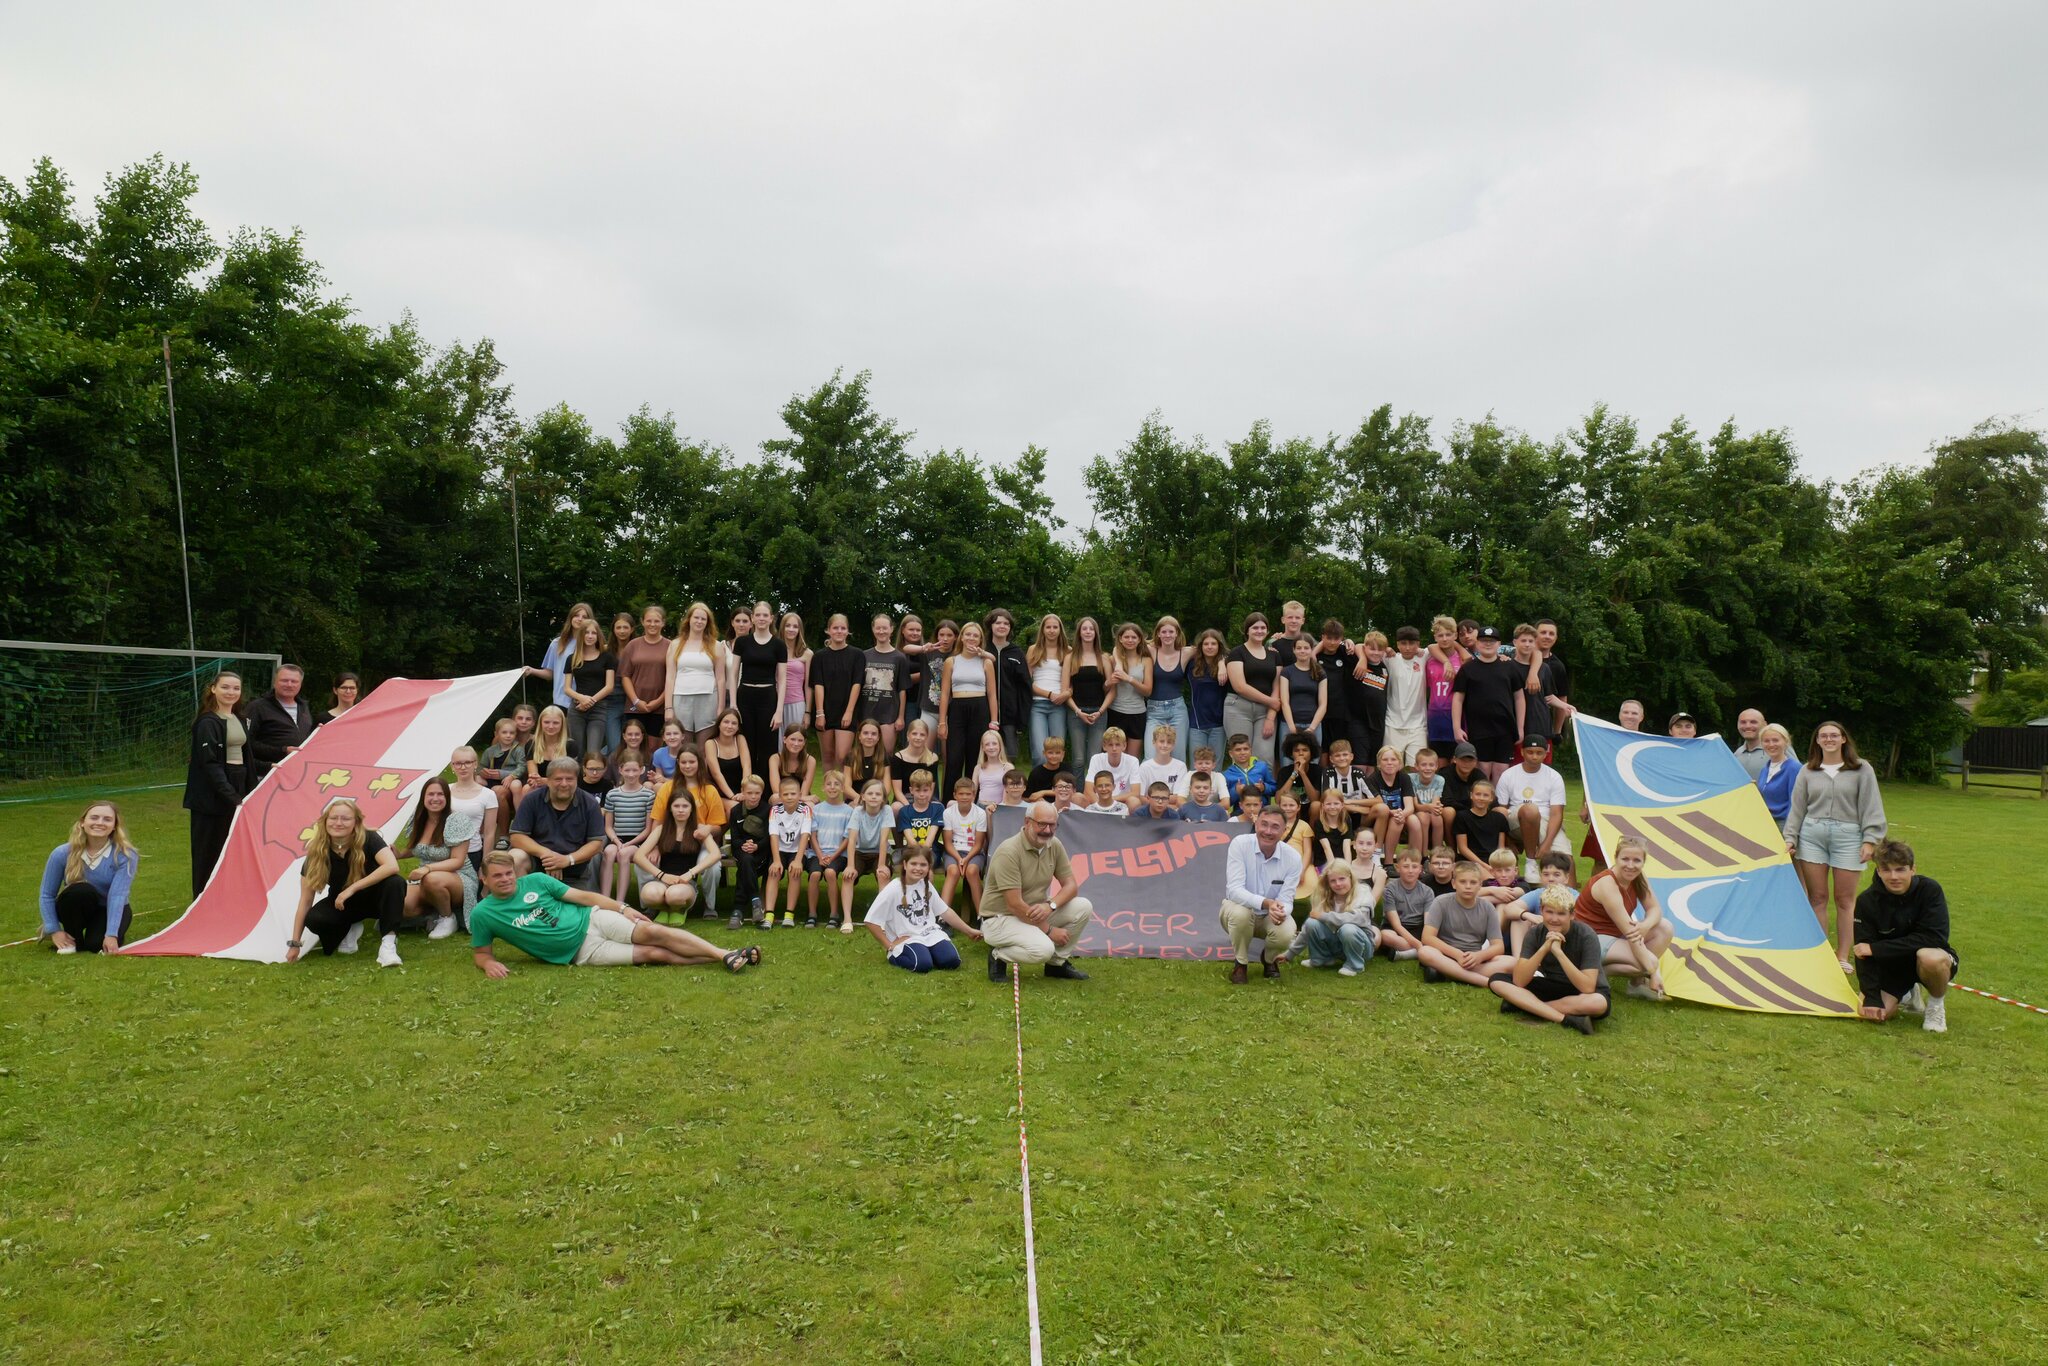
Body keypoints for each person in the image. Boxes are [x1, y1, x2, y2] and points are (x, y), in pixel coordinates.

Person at [469, 851, 756, 974]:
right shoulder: (483, 914)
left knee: (652, 932)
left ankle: (723, 954)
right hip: (581, 954)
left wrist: (623, 908)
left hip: (593, 919)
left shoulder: (535, 881)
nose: (506, 879)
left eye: (509, 873)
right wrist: (488, 964)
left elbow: (584, 896)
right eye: (498, 876)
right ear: (484, 879)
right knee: (652, 954)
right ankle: (731, 955)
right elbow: (482, 953)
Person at [1783, 720, 1887, 974]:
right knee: (1817, 897)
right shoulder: (1808, 770)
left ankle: (1842, 956)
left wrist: (1870, 840)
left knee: (1844, 899)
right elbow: (1797, 808)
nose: (1828, 739)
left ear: (1843, 739)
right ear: (1817, 741)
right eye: (1823, 736)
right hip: (1812, 835)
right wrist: (1790, 837)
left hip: (1848, 836)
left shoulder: (1862, 769)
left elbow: (1871, 805)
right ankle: (1820, 953)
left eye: (1834, 735)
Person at [980, 800, 1096, 982]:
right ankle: (998, 955)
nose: (1047, 830)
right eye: (1042, 824)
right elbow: (1014, 905)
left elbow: (1071, 885)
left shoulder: (1054, 844)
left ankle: (1056, 964)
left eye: (1052, 825)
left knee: (1083, 906)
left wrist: (1050, 905)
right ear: (1027, 822)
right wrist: (1049, 931)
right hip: (1000, 918)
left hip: (1035, 912)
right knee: (1043, 949)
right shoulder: (1009, 851)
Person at [285, 798, 407, 967]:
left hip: (375, 898)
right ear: (325, 821)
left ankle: (388, 946)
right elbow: (305, 901)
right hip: (344, 904)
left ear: (356, 822)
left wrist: (352, 888)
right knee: (314, 918)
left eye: (345, 818)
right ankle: (349, 927)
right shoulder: (317, 851)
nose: (338, 823)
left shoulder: (369, 838)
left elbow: (392, 866)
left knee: (395, 883)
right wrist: (295, 944)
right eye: (334, 818)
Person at [1853, 841, 1956, 1033]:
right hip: (1893, 966)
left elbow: (1934, 938)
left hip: (1929, 957)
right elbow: (1862, 953)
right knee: (1870, 1013)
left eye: (1900, 870)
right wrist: (1872, 998)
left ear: (1912, 869)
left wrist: (1877, 949)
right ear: (1878, 871)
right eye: (1887, 870)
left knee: (1931, 957)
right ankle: (1909, 992)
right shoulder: (1866, 901)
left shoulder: (1930, 890)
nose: (1894, 877)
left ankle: (1935, 1006)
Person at [1488, 885, 1610, 1034]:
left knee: (1597, 1003)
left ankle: (1527, 1006)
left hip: (1582, 991)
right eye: (1549, 912)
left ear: (1572, 915)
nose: (1554, 919)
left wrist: (1558, 953)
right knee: (1496, 981)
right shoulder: (1535, 933)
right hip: (1552, 985)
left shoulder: (1586, 935)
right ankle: (1565, 1019)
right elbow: (1519, 981)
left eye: (1561, 914)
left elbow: (1587, 987)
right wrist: (1544, 948)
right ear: (1541, 911)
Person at [1573, 836, 1669, 998]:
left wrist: (1645, 925)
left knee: (1664, 928)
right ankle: (1594, 973)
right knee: (1645, 962)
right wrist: (1654, 971)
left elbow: (1655, 909)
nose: (1630, 865)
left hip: (1613, 934)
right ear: (1616, 858)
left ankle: (1636, 984)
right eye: (1625, 859)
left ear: (1643, 862)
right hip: (1586, 939)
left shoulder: (1637, 876)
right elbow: (1632, 935)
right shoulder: (1607, 884)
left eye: (1637, 860)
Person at [39, 801, 139, 954]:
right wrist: (54, 930)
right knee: (80, 891)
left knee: (96, 945)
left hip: (108, 908)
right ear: (82, 823)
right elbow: (47, 895)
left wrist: (111, 934)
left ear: (114, 826)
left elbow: (117, 895)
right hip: (79, 906)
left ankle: (100, 934)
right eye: (94, 817)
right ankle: (72, 940)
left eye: (107, 819)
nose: (100, 822)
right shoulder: (61, 853)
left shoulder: (126, 855)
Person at [183, 670, 250, 897]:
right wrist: (232, 797)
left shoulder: (239, 719)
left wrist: (277, 761)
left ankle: (225, 898)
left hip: (236, 784)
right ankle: (201, 902)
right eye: (225, 687)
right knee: (208, 853)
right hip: (213, 796)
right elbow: (210, 765)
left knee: (231, 850)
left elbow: (247, 756)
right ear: (213, 689)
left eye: (236, 688)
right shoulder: (207, 722)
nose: (231, 692)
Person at [864, 847, 984, 972]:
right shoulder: (893, 888)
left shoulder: (926, 885)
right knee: (922, 965)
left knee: (951, 961)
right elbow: (871, 921)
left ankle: (927, 952)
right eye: (913, 864)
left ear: (928, 867)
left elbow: (945, 911)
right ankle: (895, 955)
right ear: (905, 865)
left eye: (923, 865)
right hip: (908, 938)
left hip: (929, 933)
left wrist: (969, 930)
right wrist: (888, 945)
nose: (918, 868)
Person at [1220, 807, 1302, 983]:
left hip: (1269, 915)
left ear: (1284, 830)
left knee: (1288, 931)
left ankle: (1269, 959)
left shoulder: (1293, 857)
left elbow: (1287, 899)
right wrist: (1266, 903)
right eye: (1263, 824)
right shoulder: (1239, 844)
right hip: (1239, 909)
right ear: (1255, 823)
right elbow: (1234, 890)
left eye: (1275, 827)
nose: (1268, 831)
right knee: (1240, 914)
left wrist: (1281, 911)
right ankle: (1240, 964)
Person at [395, 777, 474, 940]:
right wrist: (399, 855)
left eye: (440, 794)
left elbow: (457, 860)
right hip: (425, 877)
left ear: (447, 797)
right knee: (404, 905)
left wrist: (427, 869)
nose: (435, 799)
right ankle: (431, 915)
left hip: (458, 876)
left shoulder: (457, 820)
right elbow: (418, 849)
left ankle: (447, 918)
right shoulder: (419, 819)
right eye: (431, 794)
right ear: (423, 797)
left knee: (432, 879)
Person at [510, 757, 606, 888]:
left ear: (577, 780)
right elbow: (517, 837)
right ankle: (524, 901)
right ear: (548, 781)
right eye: (558, 779)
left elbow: (596, 844)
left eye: (569, 779)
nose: (564, 784)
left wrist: (566, 860)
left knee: (570, 908)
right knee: (516, 856)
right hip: (535, 866)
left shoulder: (590, 804)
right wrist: (548, 856)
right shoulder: (531, 800)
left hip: (573, 871)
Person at [1417, 860, 1513, 986]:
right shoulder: (1440, 902)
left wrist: (1479, 956)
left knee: (1512, 962)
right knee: (1425, 952)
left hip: (1474, 958)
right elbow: (1427, 937)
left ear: (1480, 885)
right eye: (1462, 882)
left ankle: (1449, 972)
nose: (1468, 886)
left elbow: (1498, 946)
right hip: (1446, 954)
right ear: (1454, 883)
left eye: (1473, 882)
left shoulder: (1487, 907)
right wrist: (1457, 955)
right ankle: (1484, 981)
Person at [633, 790, 724, 920]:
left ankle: (679, 909)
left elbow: (716, 854)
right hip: (663, 880)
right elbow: (638, 856)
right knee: (649, 894)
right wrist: (662, 875)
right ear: (670, 809)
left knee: (674, 895)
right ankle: (664, 909)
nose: (680, 810)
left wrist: (690, 874)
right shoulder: (661, 829)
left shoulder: (699, 829)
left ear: (692, 809)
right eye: (676, 806)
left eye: (685, 806)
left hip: (686, 883)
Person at [1450, 626, 1525, 781]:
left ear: (1499, 644)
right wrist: (1457, 728)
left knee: (1501, 771)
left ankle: (1498, 804)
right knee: (1482, 769)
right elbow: (1458, 699)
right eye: (1484, 641)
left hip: (1505, 728)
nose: (1488, 644)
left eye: (1492, 641)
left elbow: (1519, 698)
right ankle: (1482, 804)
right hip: (1478, 729)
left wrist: (1520, 728)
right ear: (1477, 643)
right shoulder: (1468, 669)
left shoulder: (1509, 667)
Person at [939, 620, 997, 797]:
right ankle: (948, 804)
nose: (971, 638)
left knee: (974, 759)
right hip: (957, 709)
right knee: (954, 759)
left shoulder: (986, 662)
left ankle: (974, 805)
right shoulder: (951, 661)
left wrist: (994, 720)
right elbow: (944, 693)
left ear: (980, 640)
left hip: (980, 709)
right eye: (968, 634)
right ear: (962, 637)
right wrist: (942, 721)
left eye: (976, 635)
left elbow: (992, 694)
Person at [727, 600, 788, 769]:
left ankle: (767, 791)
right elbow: (733, 675)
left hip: (768, 698)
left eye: (765, 615)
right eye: (758, 615)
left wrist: (779, 711)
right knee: (746, 743)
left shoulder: (779, 645)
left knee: (767, 745)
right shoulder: (742, 643)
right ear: (752, 618)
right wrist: (733, 705)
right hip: (745, 697)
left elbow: (782, 680)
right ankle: (746, 787)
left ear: (771, 618)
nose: (761, 618)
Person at [1297, 856, 1380, 977]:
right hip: (1338, 943)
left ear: (1351, 877)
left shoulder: (1363, 891)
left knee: (1348, 928)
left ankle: (1354, 965)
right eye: (1333, 881)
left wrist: (1325, 916)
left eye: (1342, 879)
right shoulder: (1326, 896)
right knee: (1312, 923)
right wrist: (1289, 954)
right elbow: (1307, 930)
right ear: (1328, 882)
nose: (1338, 884)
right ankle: (1322, 958)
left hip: (1362, 946)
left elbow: (1359, 919)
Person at [1502, 735, 1569, 880]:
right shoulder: (1508, 775)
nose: (1534, 756)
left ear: (1546, 753)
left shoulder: (1554, 777)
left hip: (1545, 820)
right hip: (1516, 820)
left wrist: (1547, 844)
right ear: (1522, 752)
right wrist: (1507, 840)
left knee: (1565, 859)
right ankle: (1531, 862)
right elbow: (1500, 811)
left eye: (1539, 753)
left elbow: (1557, 814)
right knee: (1530, 809)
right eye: (1530, 752)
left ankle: (1571, 898)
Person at [1223, 612, 1282, 768]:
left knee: (1265, 757)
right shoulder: (1237, 653)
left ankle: (1262, 792)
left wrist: (1271, 716)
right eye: (1255, 627)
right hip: (1238, 708)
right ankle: (1241, 792)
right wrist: (1271, 701)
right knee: (1241, 755)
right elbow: (1239, 686)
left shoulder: (1274, 656)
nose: (1259, 631)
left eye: (1263, 627)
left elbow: (1277, 686)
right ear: (1247, 630)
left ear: (1268, 631)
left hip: (1265, 712)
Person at [663, 601, 727, 744]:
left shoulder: (716, 646)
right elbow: (670, 677)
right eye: (696, 618)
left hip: (708, 700)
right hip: (681, 700)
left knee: (705, 747)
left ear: (708, 622)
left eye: (703, 619)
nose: (699, 621)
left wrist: (721, 708)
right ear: (689, 620)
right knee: (683, 747)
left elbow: (721, 678)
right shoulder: (675, 645)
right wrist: (668, 708)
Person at [245, 662, 316, 786]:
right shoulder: (257, 707)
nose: (289, 684)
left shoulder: (304, 707)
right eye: (284, 680)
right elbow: (247, 743)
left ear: (300, 684)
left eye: (294, 681)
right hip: (266, 775)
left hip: (297, 775)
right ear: (274, 682)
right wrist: (282, 751)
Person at [600, 756, 659, 903]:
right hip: (618, 839)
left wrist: (628, 844)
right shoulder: (613, 794)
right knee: (608, 852)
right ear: (620, 770)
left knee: (624, 854)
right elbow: (608, 826)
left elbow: (648, 829)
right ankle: (605, 900)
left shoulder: (648, 795)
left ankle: (619, 901)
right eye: (627, 770)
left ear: (642, 770)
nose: (631, 774)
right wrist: (616, 841)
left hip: (638, 841)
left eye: (635, 770)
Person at [805, 770, 857, 930]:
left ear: (843, 788)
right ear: (823, 787)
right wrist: (820, 856)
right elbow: (812, 836)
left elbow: (847, 838)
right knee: (814, 874)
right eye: (829, 784)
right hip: (817, 853)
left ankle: (834, 914)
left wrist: (833, 856)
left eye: (837, 784)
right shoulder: (817, 809)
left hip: (839, 854)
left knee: (830, 873)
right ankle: (812, 914)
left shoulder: (848, 811)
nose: (832, 787)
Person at [616, 604, 671, 745]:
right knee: (634, 747)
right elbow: (625, 676)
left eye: (657, 621)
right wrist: (636, 701)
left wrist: (658, 702)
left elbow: (673, 679)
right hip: (634, 707)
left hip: (659, 707)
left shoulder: (671, 646)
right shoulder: (632, 645)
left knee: (654, 747)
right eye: (649, 621)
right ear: (642, 622)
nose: (652, 624)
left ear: (663, 622)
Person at [562, 619, 616, 759]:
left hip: (599, 709)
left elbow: (609, 686)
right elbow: (567, 688)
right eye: (587, 633)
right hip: (577, 708)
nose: (590, 636)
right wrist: (582, 699)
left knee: (593, 752)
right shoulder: (572, 658)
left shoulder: (607, 657)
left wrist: (590, 701)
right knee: (576, 751)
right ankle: (577, 780)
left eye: (594, 633)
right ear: (581, 635)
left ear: (598, 636)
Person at [763, 777, 812, 928]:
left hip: (798, 851)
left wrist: (798, 860)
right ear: (780, 796)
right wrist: (776, 860)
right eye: (785, 794)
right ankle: (769, 914)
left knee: (794, 872)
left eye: (793, 794)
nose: (790, 797)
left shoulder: (805, 810)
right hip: (780, 850)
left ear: (800, 794)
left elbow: (805, 835)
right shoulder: (775, 810)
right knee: (774, 872)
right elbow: (774, 836)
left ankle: (789, 914)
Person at [526, 602, 593, 712]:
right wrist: (531, 670)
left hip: (585, 701)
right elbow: (550, 674)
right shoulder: (557, 643)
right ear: (571, 618)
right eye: (576, 615)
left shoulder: (592, 644)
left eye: (584, 617)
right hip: (561, 701)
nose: (580, 619)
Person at [986, 608, 1032, 764]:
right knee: (985, 757)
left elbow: (1025, 686)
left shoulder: (1017, 652)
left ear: (1010, 627)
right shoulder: (983, 650)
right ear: (990, 625)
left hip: (1010, 715)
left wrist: (1022, 717)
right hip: (984, 713)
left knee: (1010, 756)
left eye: (1006, 623)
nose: (1002, 626)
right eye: (998, 622)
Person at [727, 776, 774, 927]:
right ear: (742, 792)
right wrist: (744, 845)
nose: (753, 796)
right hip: (742, 850)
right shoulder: (735, 811)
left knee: (745, 867)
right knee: (746, 860)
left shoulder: (767, 809)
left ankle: (738, 909)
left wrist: (756, 846)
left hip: (761, 850)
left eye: (757, 793)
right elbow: (734, 838)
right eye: (749, 793)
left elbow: (769, 836)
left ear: (762, 792)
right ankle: (755, 900)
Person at [1026, 613, 1072, 767]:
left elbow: (1073, 683)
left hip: (1059, 706)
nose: (1052, 630)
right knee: (1040, 753)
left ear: (1060, 630)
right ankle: (1038, 789)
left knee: (1056, 752)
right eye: (1048, 627)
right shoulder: (1033, 650)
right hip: (1037, 705)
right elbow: (1027, 682)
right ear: (1043, 630)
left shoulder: (1068, 651)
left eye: (1055, 627)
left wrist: (1066, 693)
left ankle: (1058, 788)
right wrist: (1049, 694)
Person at [1066, 616, 1113, 764]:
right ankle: (1078, 788)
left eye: (1091, 629)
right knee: (1078, 759)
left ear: (1096, 633)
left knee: (1095, 758)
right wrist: (1078, 711)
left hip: (1098, 712)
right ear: (1079, 633)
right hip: (1076, 713)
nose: (1088, 632)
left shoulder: (1104, 658)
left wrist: (1100, 711)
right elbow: (1065, 690)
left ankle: (1093, 787)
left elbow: (1112, 690)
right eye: (1084, 629)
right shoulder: (1070, 658)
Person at [1145, 615, 1191, 765]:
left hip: (1177, 709)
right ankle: (1151, 788)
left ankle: (1178, 789)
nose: (1167, 635)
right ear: (1158, 633)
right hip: (1154, 710)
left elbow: (1215, 649)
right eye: (1163, 632)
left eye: (1171, 632)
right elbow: (1119, 647)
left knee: (1178, 758)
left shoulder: (1186, 652)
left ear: (1177, 633)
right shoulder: (1151, 650)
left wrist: (1222, 664)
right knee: (1150, 756)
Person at [940, 776, 990, 911]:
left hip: (973, 852)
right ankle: (943, 917)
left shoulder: (980, 813)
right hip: (953, 852)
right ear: (955, 795)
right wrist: (958, 859)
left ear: (974, 795)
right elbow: (948, 843)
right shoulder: (948, 813)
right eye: (961, 794)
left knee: (972, 871)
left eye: (968, 794)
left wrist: (966, 859)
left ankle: (982, 915)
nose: (964, 797)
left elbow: (979, 843)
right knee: (953, 871)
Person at [1104, 621, 1153, 755]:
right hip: (1115, 712)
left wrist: (1129, 679)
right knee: (1114, 755)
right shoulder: (1112, 660)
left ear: (1139, 640)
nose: (1130, 640)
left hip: (1137, 713)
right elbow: (1104, 689)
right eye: (1126, 637)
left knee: (1133, 759)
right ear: (1120, 638)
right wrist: (1108, 683)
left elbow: (1148, 691)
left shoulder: (1146, 660)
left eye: (1133, 637)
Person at [1382, 626, 1429, 765]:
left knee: (1415, 769)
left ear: (1418, 644)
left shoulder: (1424, 656)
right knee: (1390, 767)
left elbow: (1437, 645)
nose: (1408, 647)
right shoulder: (1390, 659)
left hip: (1418, 726)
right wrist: (1386, 649)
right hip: (1392, 724)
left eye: (1412, 643)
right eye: (1403, 643)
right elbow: (1361, 646)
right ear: (1397, 644)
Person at [1423, 615, 1466, 754]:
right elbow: (1430, 647)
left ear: (1455, 635)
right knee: (1439, 762)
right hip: (1435, 716)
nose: (1445, 638)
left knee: (1457, 760)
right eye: (1440, 635)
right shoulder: (1429, 659)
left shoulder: (1463, 658)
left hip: (1458, 717)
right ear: (1435, 637)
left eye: (1448, 634)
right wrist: (1446, 662)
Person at [1186, 628, 1230, 764]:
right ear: (1201, 646)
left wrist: (1222, 663)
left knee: (1215, 766)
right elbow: (1174, 651)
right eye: (1206, 644)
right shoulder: (1192, 665)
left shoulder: (1228, 664)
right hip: (1197, 723)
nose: (1210, 647)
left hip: (1219, 723)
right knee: (1197, 766)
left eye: (1213, 643)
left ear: (1219, 646)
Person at [1378, 848, 1431, 959]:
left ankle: (1406, 953)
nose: (1410, 871)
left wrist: (1426, 937)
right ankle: (1419, 951)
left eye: (1414, 867)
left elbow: (1428, 922)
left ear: (1420, 869)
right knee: (1385, 935)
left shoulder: (1427, 891)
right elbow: (1396, 924)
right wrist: (1418, 944)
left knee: (1434, 935)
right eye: (1406, 866)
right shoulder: (1390, 889)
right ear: (1398, 868)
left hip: (1417, 927)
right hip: (1395, 928)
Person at [478, 718, 528, 830]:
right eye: (504, 732)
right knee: (477, 780)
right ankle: (478, 816)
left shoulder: (518, 750)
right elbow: (481, 766)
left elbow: (522, 767)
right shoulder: (490, 751)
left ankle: (519, 815)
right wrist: (483, 772)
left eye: (512, 733)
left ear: (516, 734)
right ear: (496, 734)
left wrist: (511, 776)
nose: (508, 735)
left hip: (510, 779)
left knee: (516, 785)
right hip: (492, 780)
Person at [1276, 633, 1327, 743]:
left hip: (1313, 724)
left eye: (1306, 648)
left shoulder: (1320, 672)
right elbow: (1284, 702)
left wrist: (1312, 728)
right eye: (1299, 648)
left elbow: (1323, 704)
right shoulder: (1286, 672)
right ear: (1293, 650)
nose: (1302, 651)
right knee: (1288, 760)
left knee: (1312, 760)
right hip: (1288, 724)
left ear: (1311, 649)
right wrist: (1291, 727)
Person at [1755, 722, 1802, 836]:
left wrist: (1791, 833)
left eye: (1775, 740)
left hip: (1784, 826)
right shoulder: (1765, 769)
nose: (1771, 744)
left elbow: (1795, 803)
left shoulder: (1793, 768)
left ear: (1786, 742)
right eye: (1766, 741)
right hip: (1767, 825)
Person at [889, 718, 944, 807]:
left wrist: (923, 805)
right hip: (904, 798)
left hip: (925, 797)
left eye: (922, 735)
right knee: (896, 807)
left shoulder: (932, 758)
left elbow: (931, 788)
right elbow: (897, 791)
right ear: (908, 735)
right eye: (914, 734)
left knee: (939, 806)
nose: (918, 738)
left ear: (927, 737)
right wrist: (910, 808)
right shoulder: (898, 758)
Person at [778, 611, 812, 744]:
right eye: (788, 625)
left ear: (800, 630)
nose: (791, 629)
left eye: (795, 626)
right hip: (774, 703)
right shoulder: (774, 648)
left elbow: (808, 685)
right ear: (782, 628)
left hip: (796, 703)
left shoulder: (807, 653)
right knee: (777, 743)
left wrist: (807, 712)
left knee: (795, 742)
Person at [1084, 725, 1141, 806]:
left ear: (1124, 746)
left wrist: (1110, 801)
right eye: (1110, 745)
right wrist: (1100, 805)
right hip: (1098, 802)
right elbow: (1088, 790)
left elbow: (1136, 793)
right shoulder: (1096, 759)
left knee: (1134, 801)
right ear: (1104, 746)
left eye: (1117, 744)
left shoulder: (1133, 761)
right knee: (1078, 797)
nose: (1114, 748)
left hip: (1121, 803)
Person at [705, 708, 752, 806]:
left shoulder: (740, 739)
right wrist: (732, 796)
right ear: (719, 724)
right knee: (735, 807)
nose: (729, 726)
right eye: (726, 722)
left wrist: (744, 792)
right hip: (719, 792)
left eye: (734, 723)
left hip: (741, 791)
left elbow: (747, 767)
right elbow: (716, 774)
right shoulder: (710, 743)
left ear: (738, 727)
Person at [524, 704, 580, 781]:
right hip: (538, 786)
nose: (551, 726)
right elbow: (533, 776)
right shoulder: (531, 744)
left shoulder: (571, 745)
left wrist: (546, 781)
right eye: (546, 722)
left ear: (562, 725)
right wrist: (535, 780)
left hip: (563, 786)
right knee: (527, 789)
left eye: (556, 723)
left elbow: (569, 778)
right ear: (540, 723)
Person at [1730, 708, 1768, 779]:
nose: (1748, 726)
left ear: (1765, 724)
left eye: (1753, 722)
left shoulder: (1777, 749)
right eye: (1743, 722)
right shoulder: (1737, 754)